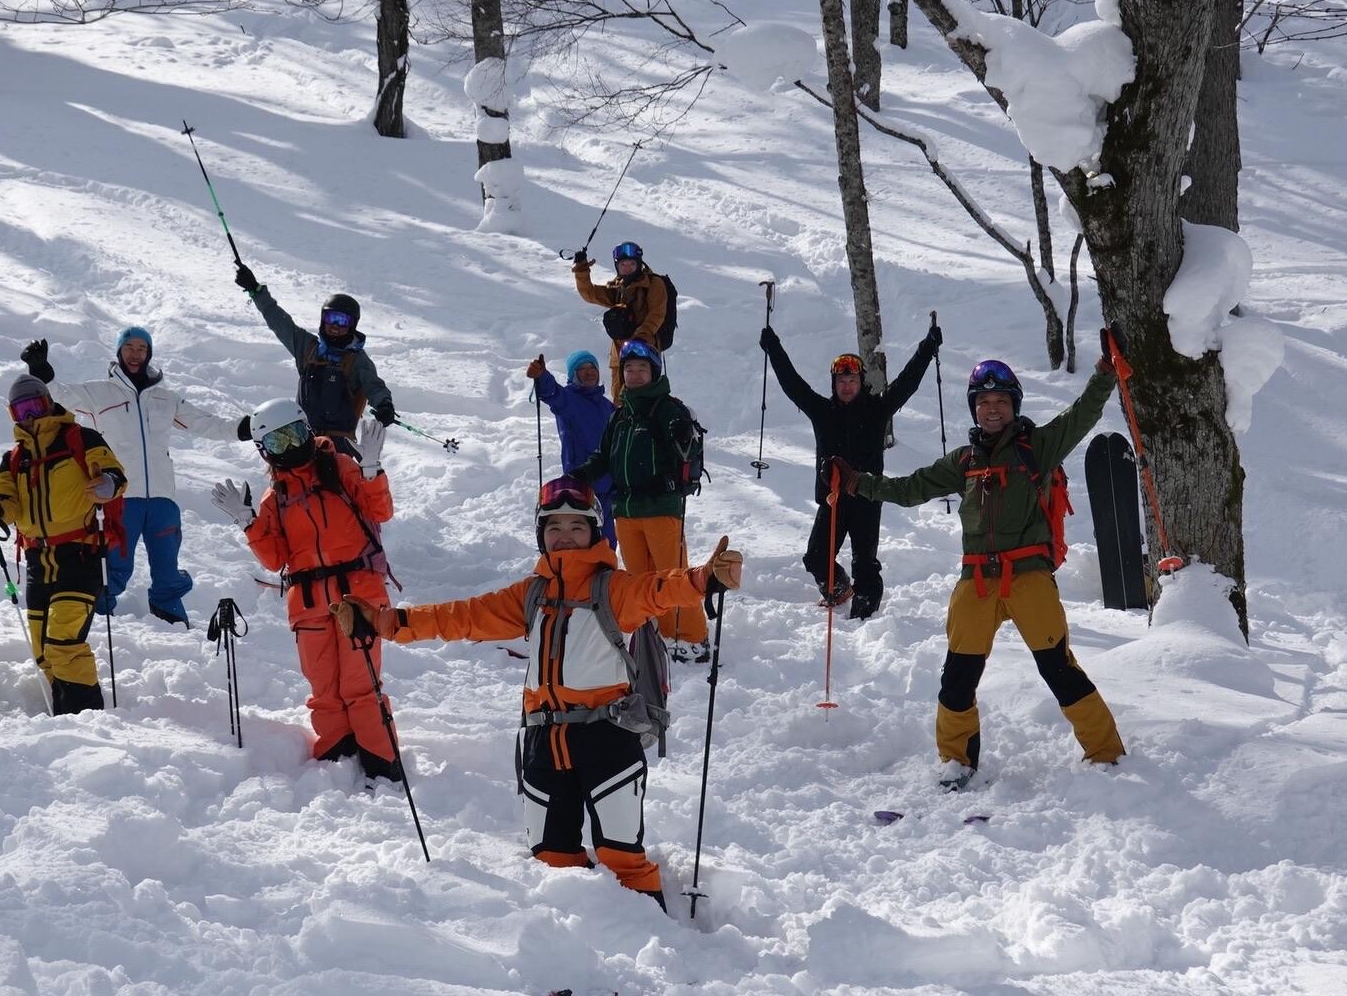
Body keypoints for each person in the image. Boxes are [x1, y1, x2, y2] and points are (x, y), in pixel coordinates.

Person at [328, 476, 742, 908]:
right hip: (543, 741)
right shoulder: (532, 595)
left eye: (576, 526)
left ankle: (657, 946)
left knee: (622, 857)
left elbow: (660, 588)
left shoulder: (615, 590)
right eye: (553, 527)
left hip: (607, 738)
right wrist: (385, 623)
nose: (564, 536)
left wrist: (705, 578)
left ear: (595, 533)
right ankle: (570, 942)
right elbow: (463, 616)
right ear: (541, 535)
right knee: (551, 858)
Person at [831, 354, 1127, 791]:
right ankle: (957, 762)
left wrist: (1104, 373)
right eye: (984, 401)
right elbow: (910, 488)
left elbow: (1082, 414)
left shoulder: (1036, 448)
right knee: (957, 678)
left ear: (1015, 406)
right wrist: (859, 483)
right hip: (976, 583)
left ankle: (1106, 754)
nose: (993, 409)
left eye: (1001, 401)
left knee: (1058, 669)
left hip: (1028, 579)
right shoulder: (964, 461)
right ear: (974, 408)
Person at [210, 399, 402, 780]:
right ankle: (336, 756)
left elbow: (380, 512)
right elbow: (274, 557)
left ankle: (381, 760)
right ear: (265, 450)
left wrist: (371, 470)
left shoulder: (341, 469)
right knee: (324, 685)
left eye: (294, 435)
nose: (291, 447)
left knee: (360, 682)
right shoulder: (275, 498)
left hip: (358, 592)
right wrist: (248, 521)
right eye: (278, 442)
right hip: (309, 602)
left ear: (307, 430)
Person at [20, 331, 232, 627]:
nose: (135, 354)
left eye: (142, 348)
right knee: (114, 565)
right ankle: (99, 618)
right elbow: (62, 397)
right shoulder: (101, 393)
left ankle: (170, 616)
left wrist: (247, 428)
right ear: (119, 352)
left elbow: (206, 423)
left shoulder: (165, 398)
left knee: (167, 566)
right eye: (129, 347)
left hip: (162, 498)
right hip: (120, 496)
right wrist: (42, 372)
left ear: (149, 353)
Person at [759, 322, 941, 619]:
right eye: (841, 381)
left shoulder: (877, 409)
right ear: (834, 384)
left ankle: (864, 617)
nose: (847, 386)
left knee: (865, 564)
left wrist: (927, 348)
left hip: (867, 497)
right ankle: (840, 588)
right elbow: (792, 384)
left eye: (852, 380)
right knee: (817, 558)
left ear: (861, 382)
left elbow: (907, 382)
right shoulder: (822, 411)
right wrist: (773, 347)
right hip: (832, 498)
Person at [0, 375, 125, 715]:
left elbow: (115, 474)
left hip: (80, 556)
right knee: (43, 650)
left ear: (48, 403)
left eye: (34, 407)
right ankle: (64, 713)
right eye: (20, 411)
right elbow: (8, 503)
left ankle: (87, 719)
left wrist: (107, 485)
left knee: (63, 643)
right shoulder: (12, 460)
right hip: (39, 561)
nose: (29, 417)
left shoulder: (81, 439)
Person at [568, 340, 708, 656]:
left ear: (653, 371)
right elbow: (603, 456)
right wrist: (581, 475)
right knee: (639, 579)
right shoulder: (621, 415)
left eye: (641, 369)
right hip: (626, 509)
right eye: (629, 369)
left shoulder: (668, 409)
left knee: (672, 574)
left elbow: (684, 453)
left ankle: (690, 637)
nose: (633, 375)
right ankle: (652, 633)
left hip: (661, 507)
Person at [233, 262, 396, 456]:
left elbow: (374, 386)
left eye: (343, 321)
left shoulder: (357, 360)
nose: (335, 325)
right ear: (322, 319)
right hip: (302, 438)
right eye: (331, 318)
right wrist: (255, 290)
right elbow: (278, 321)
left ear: (352, 325)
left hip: (339, 446)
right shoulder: (308, 348)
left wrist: (384, 405)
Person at [526, 350, 616, 545]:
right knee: (586, 538)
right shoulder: (568, 399)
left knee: (608, 542)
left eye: (592, 367)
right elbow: (552, 392)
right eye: (581, 368)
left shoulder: (607, 406)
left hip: (610, 485)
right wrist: (542, 377)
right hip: (581, 482)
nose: (589, 372)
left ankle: (606, 575)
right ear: (572, 374)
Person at [573, 241, 669, 400]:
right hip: (619, 354)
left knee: (644, 395)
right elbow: (589, 293)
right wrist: (582, 269)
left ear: (639, 264)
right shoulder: (618, 287)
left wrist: (642, 336)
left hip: (643, 350)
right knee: (619, 399)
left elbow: (657, 314)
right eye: (623, 264)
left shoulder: (654, 284)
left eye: (632, 263)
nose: (628, 268)